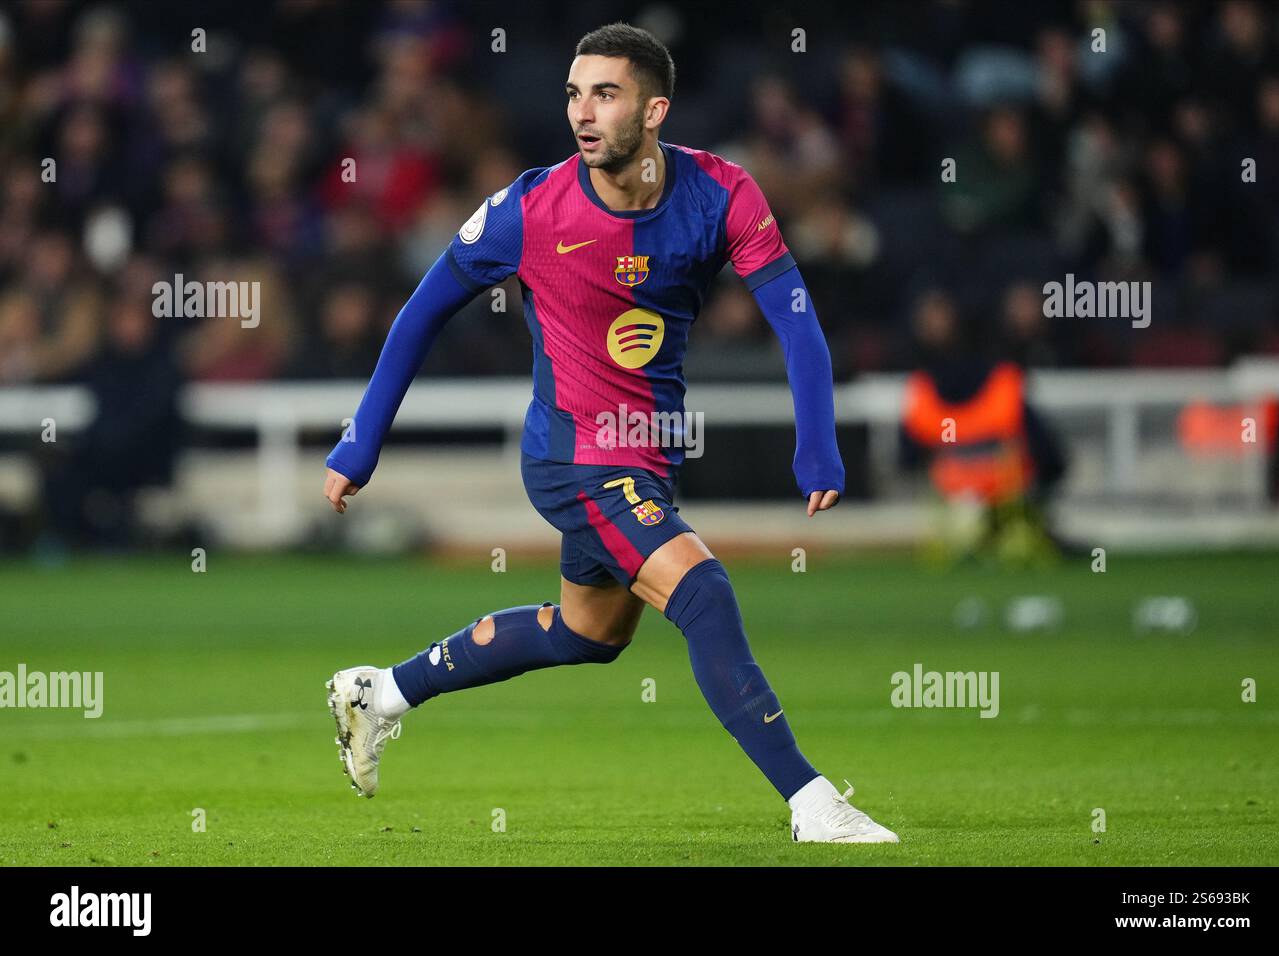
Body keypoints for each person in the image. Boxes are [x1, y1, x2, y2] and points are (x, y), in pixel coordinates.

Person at [321, 23, 897, 844]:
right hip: (573, 457)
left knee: (586, 634)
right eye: (572, 93)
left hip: (644, 460)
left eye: (605, 93)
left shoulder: (725, 193)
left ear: (654, 109)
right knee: (703, 592)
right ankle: (811, 802)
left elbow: (797, 320)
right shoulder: (528, 208)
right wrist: (360, 443)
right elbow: (419, 316)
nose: (582, 113)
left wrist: (818, 444)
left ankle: (380, 692)